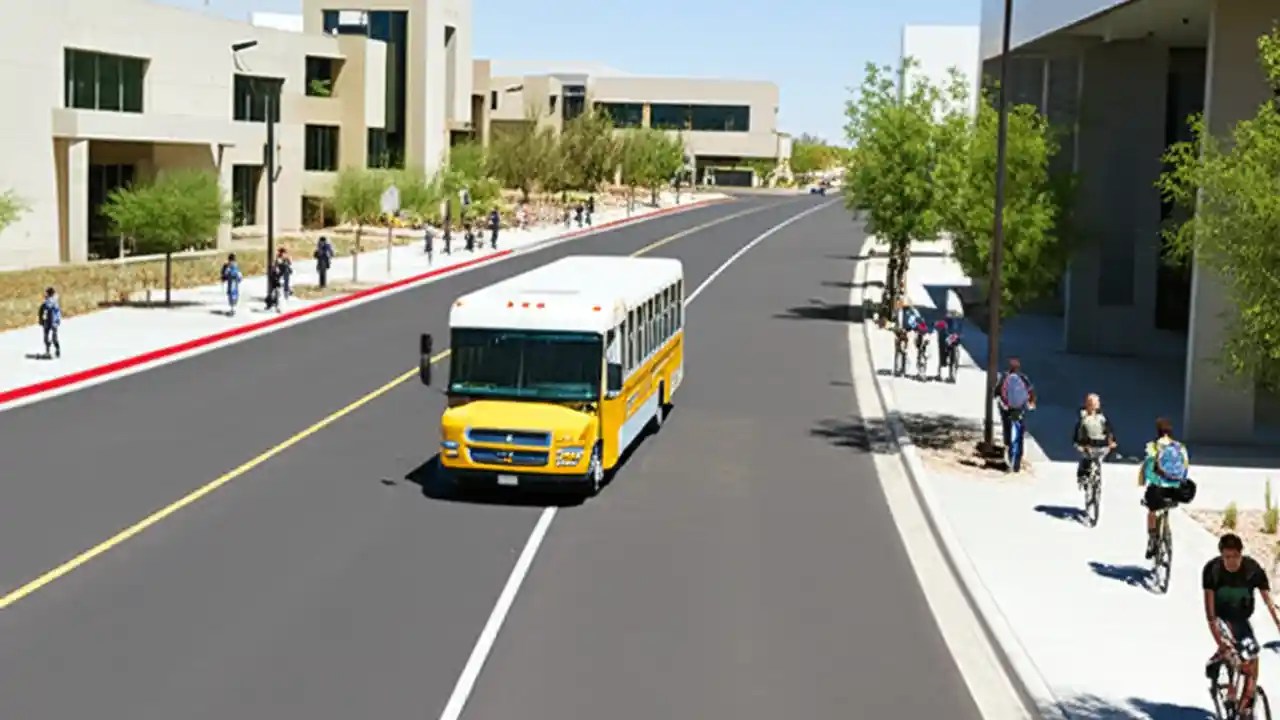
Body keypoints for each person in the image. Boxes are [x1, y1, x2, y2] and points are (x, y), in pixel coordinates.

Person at [1203, 533, 1280, 718]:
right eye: (1226, 557)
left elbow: (1269, 601)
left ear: (1241, 554)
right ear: (1221, 555)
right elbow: (1210, 613)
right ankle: (1224, 674)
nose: (1230, 562)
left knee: (1252, 656)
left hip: (1240, 620)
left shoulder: (1252, 570)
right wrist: (1219, 640)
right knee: (1232, 653)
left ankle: (1246, 704)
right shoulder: (1212, 570)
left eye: (1234, 557)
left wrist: (1278, 623)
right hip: (1221, 618)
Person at [1139, 417, 1189, 558]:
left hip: (1159, 489)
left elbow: (1149, 470)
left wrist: (1147, 481)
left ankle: (1152, 540)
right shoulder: (1180, 447)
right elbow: (1185, 468)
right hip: (1176, 490)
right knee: (1167, 504)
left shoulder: (1153, 446)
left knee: (1151, 511)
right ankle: (1166, 538)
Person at [993, 358, 1036, 472]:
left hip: (1007, 410)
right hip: (1019, 410)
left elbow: (996, 393)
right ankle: (1017, 461)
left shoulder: (1004, 377)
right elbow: (1031, 392)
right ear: (1018, 368)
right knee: (1020, 434)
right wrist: (1030, 404)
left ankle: (1009, 459)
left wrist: (1002, 404)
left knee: (1007, 434)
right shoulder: (1023, 378)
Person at [1072, 393, 1116, 486]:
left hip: (1100, 445)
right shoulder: (1083, 417)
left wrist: (1111, 442)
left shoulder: (1101, 418)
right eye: (1091, 403)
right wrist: (1077, 443)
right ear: (1086, 404)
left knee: (1097, 463)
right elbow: (1078, 431)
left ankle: (1097, 484)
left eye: (1095, 403)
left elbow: (1108, 430)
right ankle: (1082, 477)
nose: (1093, 406)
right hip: (1086, 445)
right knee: (1085, 460)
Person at [37, 287, 61, 359]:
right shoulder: (48, 301)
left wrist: (56, 321)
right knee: (47, 337)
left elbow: (50, 308)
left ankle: (56, 349)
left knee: (53, 338)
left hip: (52, 321)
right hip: (47, 321)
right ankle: (48, 351)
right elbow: (42, 310)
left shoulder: (52, 301)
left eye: (46, 293)